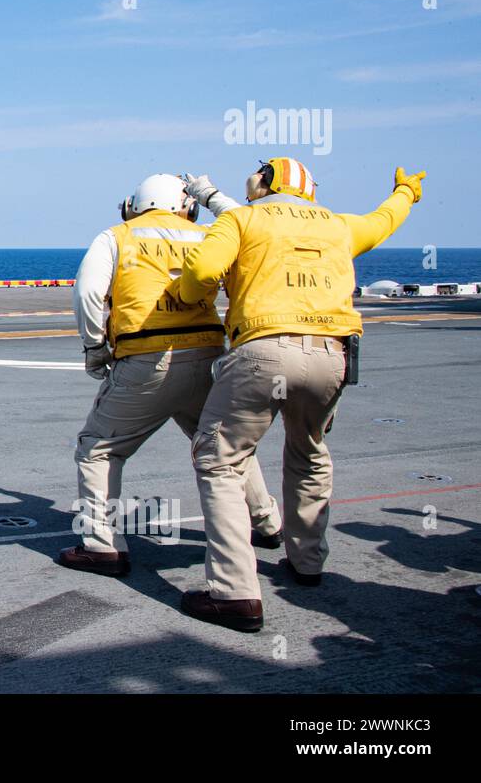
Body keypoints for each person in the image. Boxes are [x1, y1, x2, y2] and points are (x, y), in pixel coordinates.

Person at [177, 158, 426, 632]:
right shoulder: (337, 226)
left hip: (264, 349)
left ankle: (234, 593)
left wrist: (191, 292)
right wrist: (407, 194)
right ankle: (307, 563)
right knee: (309, 450)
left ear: (268, 181)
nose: (248, 176)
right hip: (332, 355)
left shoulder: (241, 218)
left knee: (220, 460)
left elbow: (203, 269)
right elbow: (383, 221)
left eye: (256, 170)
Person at [60, 173, 282, 577]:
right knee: (229, 449)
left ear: (133, 205)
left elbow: (88, 293)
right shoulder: (211, 235)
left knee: (99, 449)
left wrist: (95, 349)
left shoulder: (117, 236)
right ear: (188, 206)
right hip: (209, 358)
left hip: (146, 359)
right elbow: (250, 235)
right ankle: (266, 523)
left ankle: (102, 544)